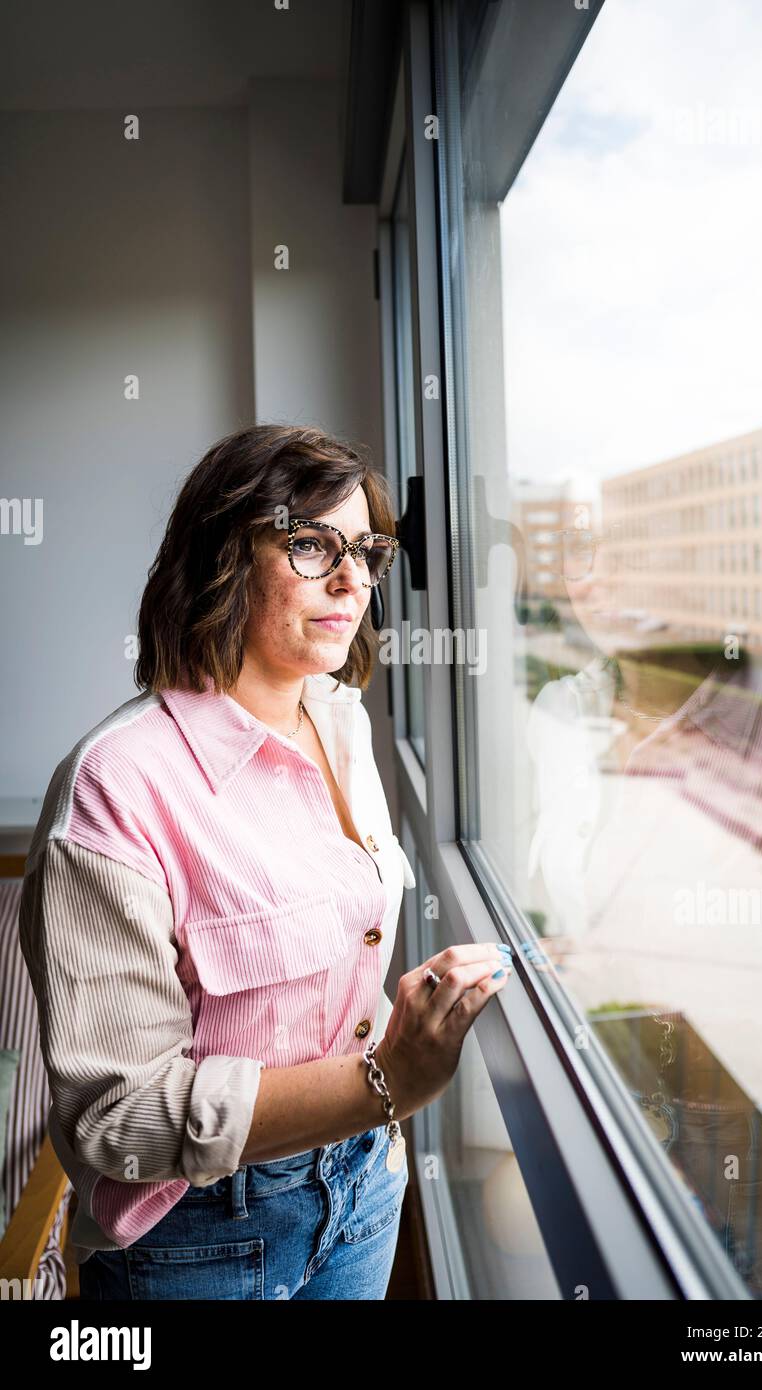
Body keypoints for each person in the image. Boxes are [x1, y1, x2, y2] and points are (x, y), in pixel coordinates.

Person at [18, 424, 513, 1300]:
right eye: (311, 543)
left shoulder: (343, 721)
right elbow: (113, 1122)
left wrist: (377, 1113)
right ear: (222, 556)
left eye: (365, 549)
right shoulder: (117, 785)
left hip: (363, 1185)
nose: (353, 577)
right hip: (199, 1236)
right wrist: (386, 1081)